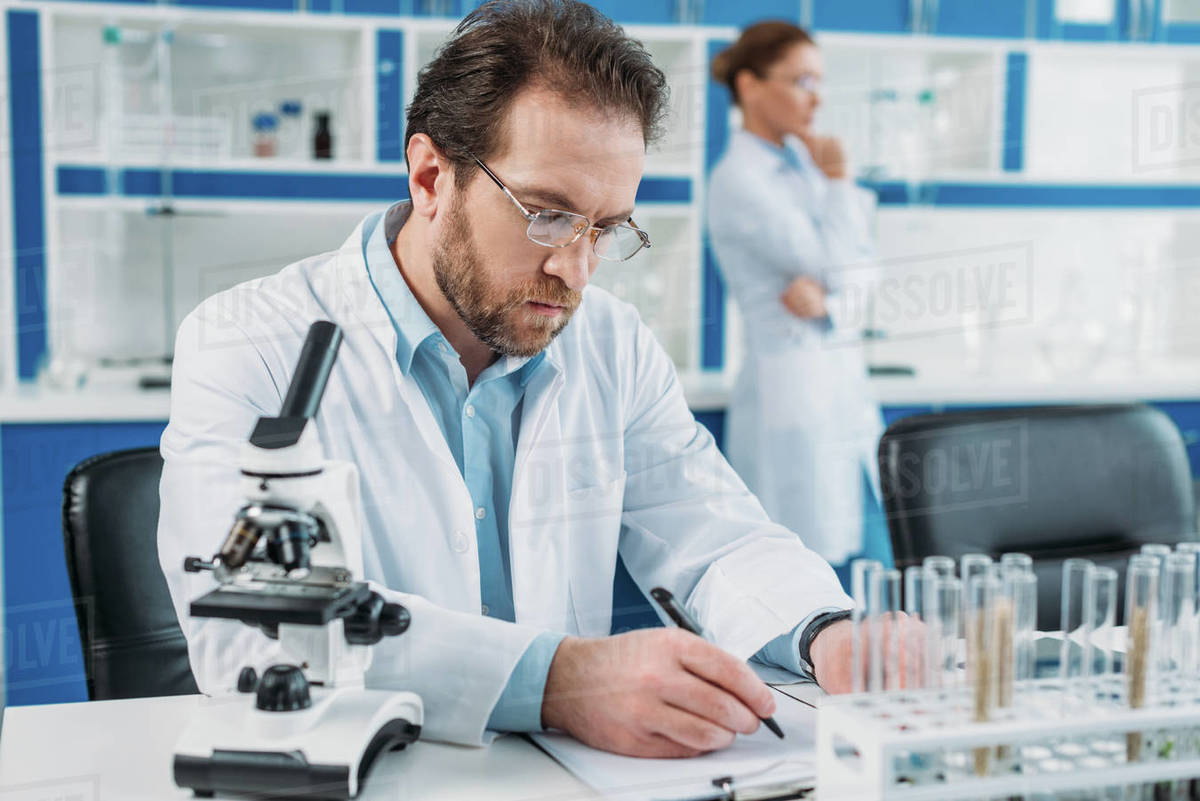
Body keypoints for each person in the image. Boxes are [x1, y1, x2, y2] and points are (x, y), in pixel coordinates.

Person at [158, 0, 868, 760]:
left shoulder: (613, 343)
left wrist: (829, 634)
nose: (575, 269)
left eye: (605, 228)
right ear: (432, 176)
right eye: (546, 214)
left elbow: (712, 534)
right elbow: (248, 625)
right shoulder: (248, 340)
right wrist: (559, 680)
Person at [706, 23, 892, 590]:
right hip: (792, 397)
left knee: (876, 574)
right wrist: (840, 184)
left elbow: (868, 280)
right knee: (808, 585)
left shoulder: (804, 168)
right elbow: (843, 268)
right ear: (751, 85)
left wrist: (835, 301)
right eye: (802, 80)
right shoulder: (738, 179)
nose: (818, 96)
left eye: (820, 81)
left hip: (843, 394)